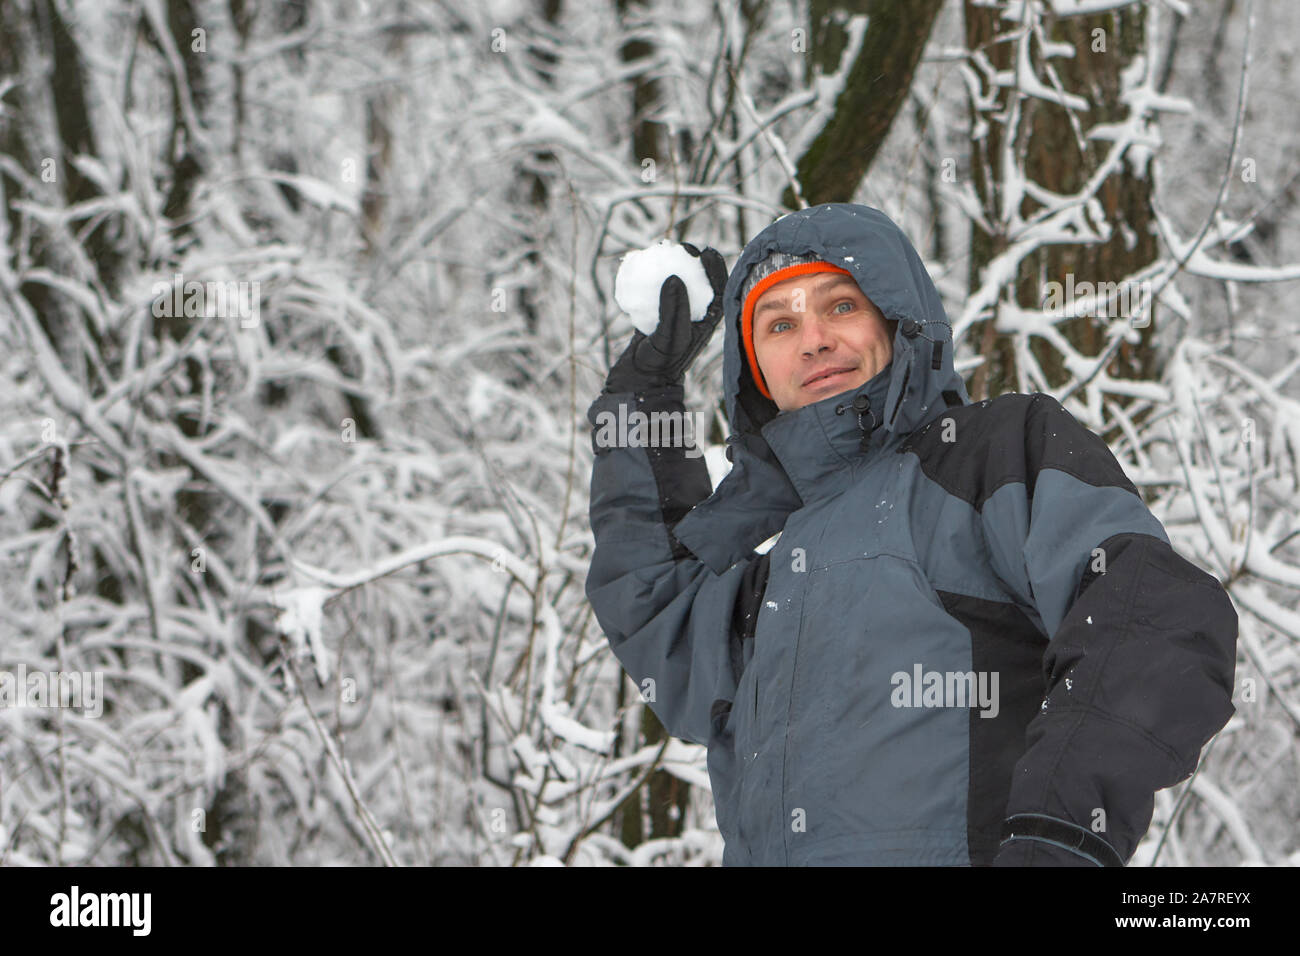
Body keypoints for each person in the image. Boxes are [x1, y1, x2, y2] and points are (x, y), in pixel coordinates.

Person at [585, 202, 1239, 866]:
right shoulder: (775, 573)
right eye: (778, 323)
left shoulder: (990, 457)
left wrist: (1060, 837)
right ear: (756, 372)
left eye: (840, 306)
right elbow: (653, 604)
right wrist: (642, 395)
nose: (813, 339)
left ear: (898, 320)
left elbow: (1151, 612)